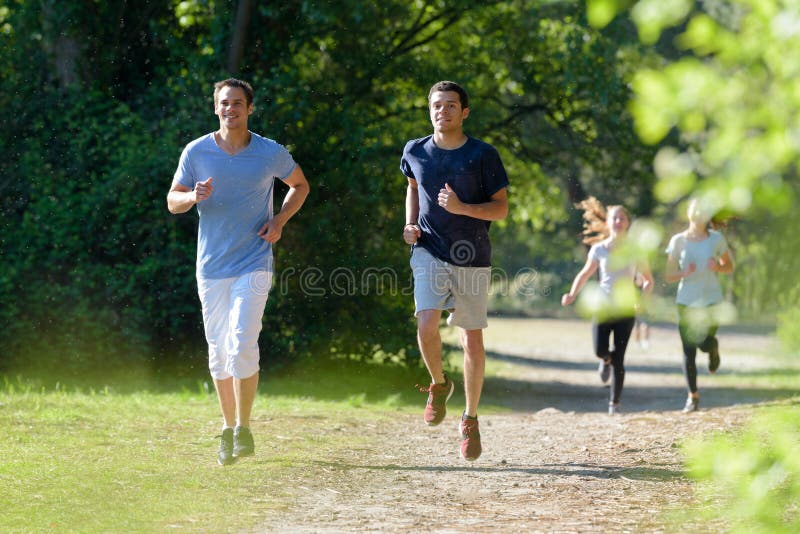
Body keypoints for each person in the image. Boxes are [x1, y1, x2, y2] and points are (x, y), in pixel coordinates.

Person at [167, 78, 310, 465]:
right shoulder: (196, 151)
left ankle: (244, 428)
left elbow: (300, 185)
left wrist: (279, 220)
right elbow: (172, 201)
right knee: (219, 352)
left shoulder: (268, 152)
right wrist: (192, 196)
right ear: (216, 108)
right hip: (212, 267)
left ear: (250, 108)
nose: (230, 109)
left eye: (237, 103)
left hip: (255, 260)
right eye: (224, 103)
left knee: (243, 340)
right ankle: (228, 429)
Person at [401, 80, 509, 461]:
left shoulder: (483, 155)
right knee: (427, 325)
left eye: (450, 106)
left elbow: (500, 208)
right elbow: (412, 186)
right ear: (429, 109)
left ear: (464, 112)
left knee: (472, 342)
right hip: (428, 249)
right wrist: (410, 224)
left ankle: (470, 418)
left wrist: (463, 208)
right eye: (436, 105)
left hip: (472, 255)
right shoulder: (414, 150)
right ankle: (437, 384)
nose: (441, 111)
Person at [561, 198, 654, 415]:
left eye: (622, 218)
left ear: (628, 223)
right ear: (608, 223)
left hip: (625, 309)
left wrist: (643, 299)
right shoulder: (598, 250)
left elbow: (648, 279)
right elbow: (585, 274)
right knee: (599, 349)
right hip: (603, 307)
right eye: (615, 218)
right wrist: (572, 294)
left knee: (620, 358)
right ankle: (605, 359)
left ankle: (615, 404)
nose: (619, 221)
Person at [665, 198, 734, 413]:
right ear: (688, 213)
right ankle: (692, 396)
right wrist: (683, 273)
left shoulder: (716, 239)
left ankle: (712, 349)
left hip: (711, 301)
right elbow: (668, 275)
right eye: (695, 209)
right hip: (686, 301)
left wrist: (717, 267)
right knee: (689, 351)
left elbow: (729, 267)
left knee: (704, 343)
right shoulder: (677, 241)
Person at [633, 271, 651, 350]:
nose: (640, 281)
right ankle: (637, 342)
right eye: (638, 279)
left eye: (641, 279)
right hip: (635, 310)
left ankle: (645, 341)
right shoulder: (633, 289)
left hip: (644, 309)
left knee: (645, 325)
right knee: (636, 326)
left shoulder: (644, 289)